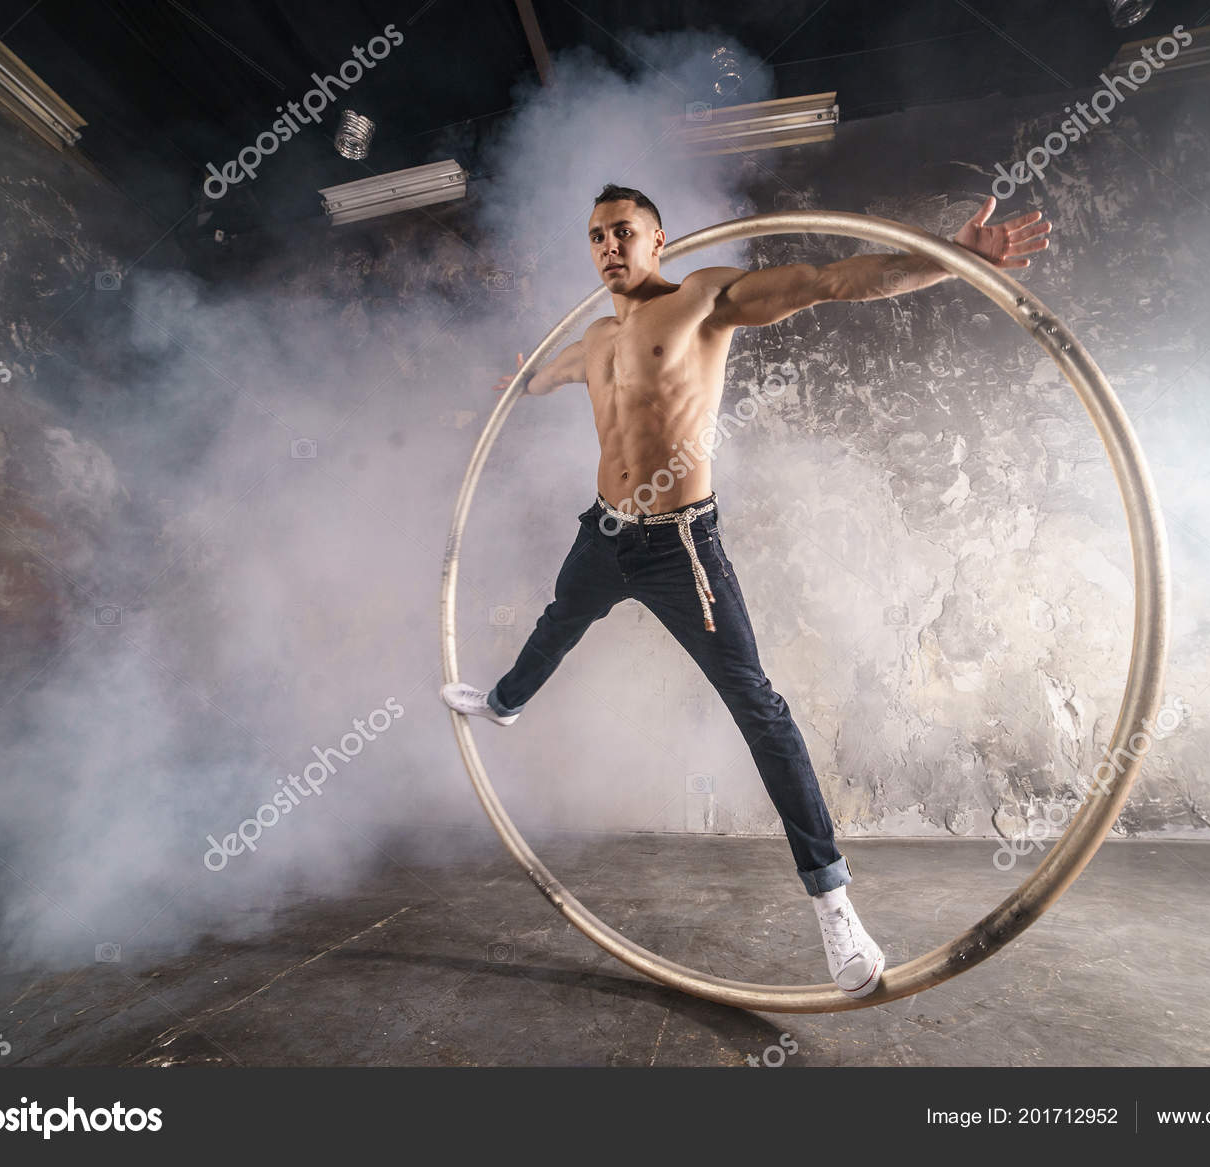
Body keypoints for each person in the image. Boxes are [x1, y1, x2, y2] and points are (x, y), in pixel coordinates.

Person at [443, 183, 1049, 996]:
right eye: (596, 236)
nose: (609, 246)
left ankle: (833, 902)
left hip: (680, 550)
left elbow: (831, 281)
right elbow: (552, 373)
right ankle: (506, 702)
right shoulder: (593, 338)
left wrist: (951, 259)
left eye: (624, 231)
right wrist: (522, 384)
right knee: (559, 617)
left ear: (659, 240)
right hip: (604, 535)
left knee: (759, 708)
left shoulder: (702, 300)